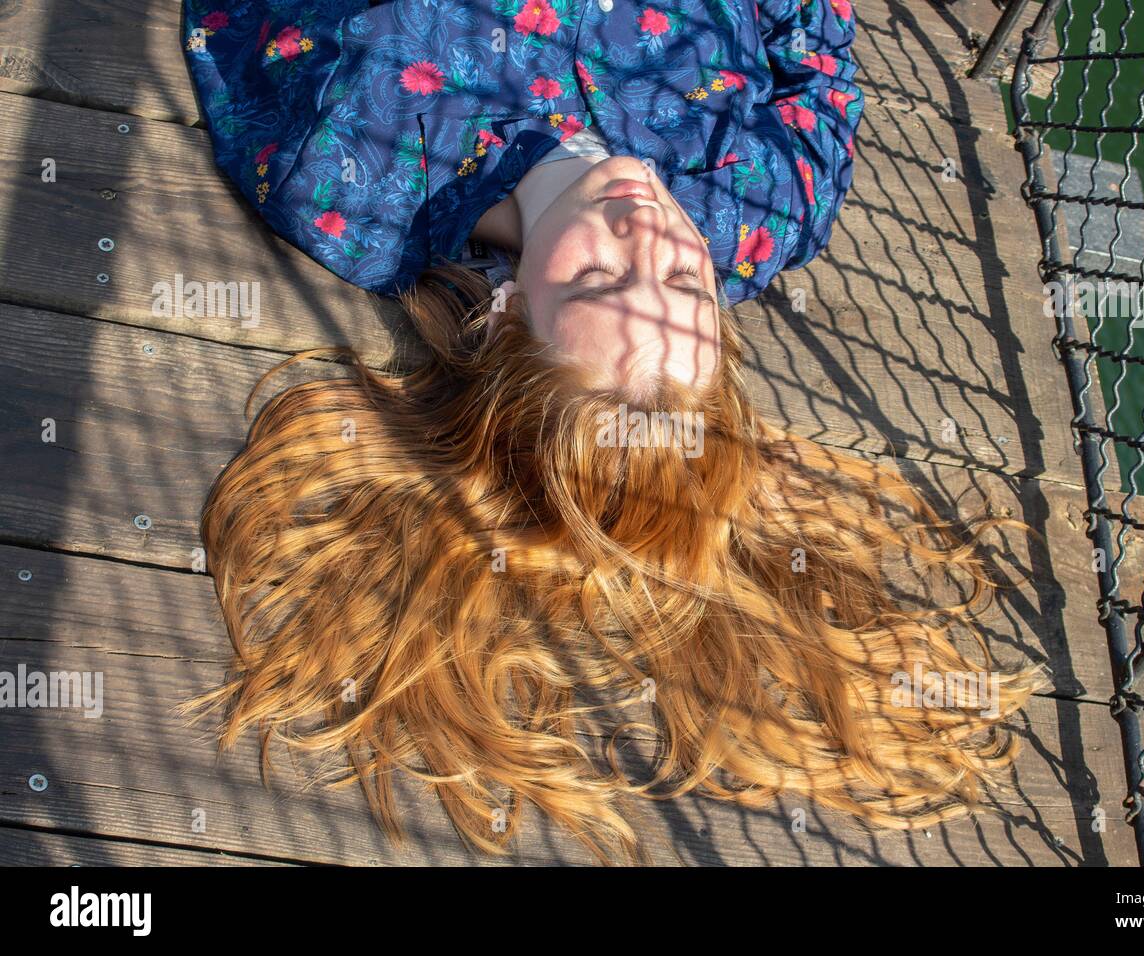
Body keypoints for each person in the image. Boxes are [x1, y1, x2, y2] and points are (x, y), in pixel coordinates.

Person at [182, 0, 1043, 862]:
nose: (650, 228)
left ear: (505, 322)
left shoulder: (346, 165)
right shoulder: (756, 214)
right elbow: (821, 70)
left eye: (596, 278)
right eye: (682, 281)